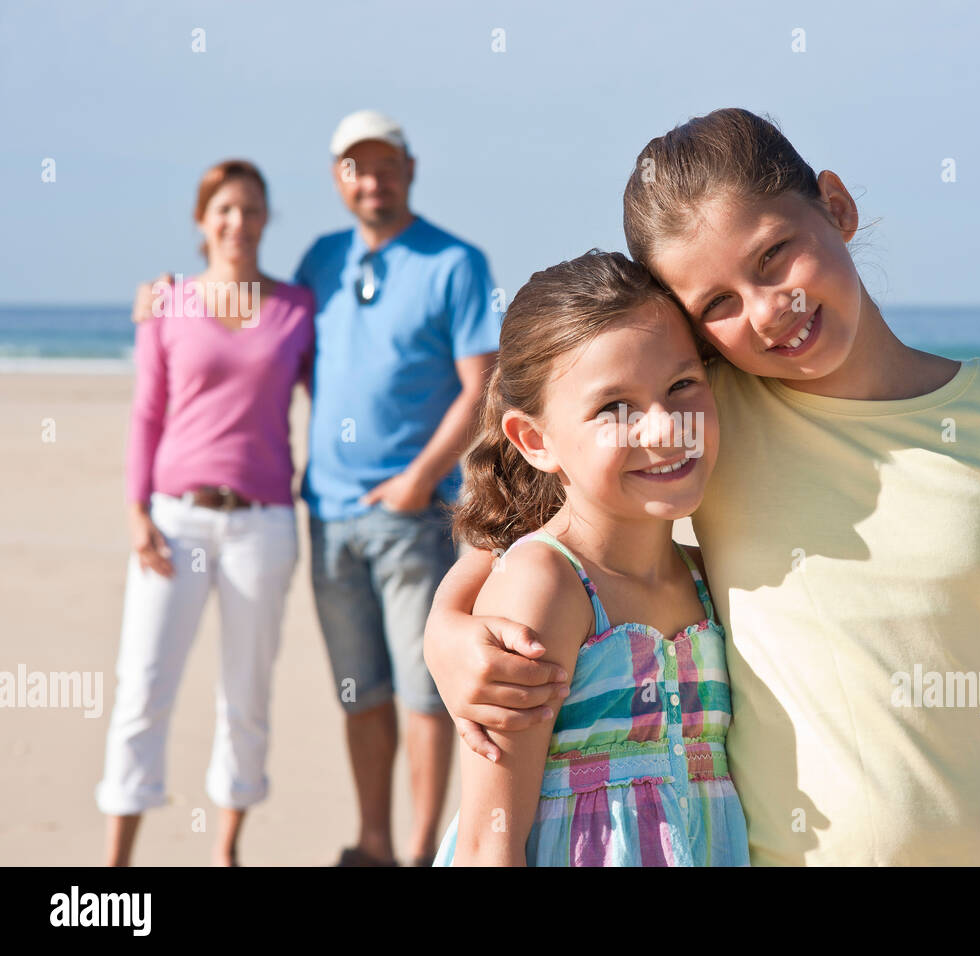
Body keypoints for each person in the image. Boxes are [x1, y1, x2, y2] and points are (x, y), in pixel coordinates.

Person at [426, 108, 980, 866]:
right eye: (715, 305)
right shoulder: (702, 415)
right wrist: (448, 635)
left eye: (775, 255)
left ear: (838, 207)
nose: (765, 310)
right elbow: (532, 541)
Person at [433, 250, 748, 866]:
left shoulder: (705, 577)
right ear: (536, 441)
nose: (664, 429)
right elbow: (486, 842)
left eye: (681, 385)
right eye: (615, 408)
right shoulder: (545, 586)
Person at [292, 111, 501, 867]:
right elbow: (278, 345)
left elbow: (483, 386)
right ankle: (373, 843)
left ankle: (417, 852)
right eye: (356, 168)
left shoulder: (454, 262)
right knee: (360, 691)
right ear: (338, 179)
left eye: (385, 166)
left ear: (410, 169)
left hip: (414, 517)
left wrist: (417, 480)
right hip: (328, 514)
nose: (371, 181)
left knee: (422, 691)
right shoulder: (319, 260)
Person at [100, 159, 315, 866]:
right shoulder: (165, 305)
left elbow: (343, 391)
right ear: (202, 220)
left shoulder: (295, 309)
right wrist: (135, 513)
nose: (238, 223)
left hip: (264, 525)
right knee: (144, 687)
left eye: (252, 209)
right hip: (175, 520)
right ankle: (116, 861)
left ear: (266, 218)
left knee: (245, 697)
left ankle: (225, 851)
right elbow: (145, 415)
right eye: (224, 209)